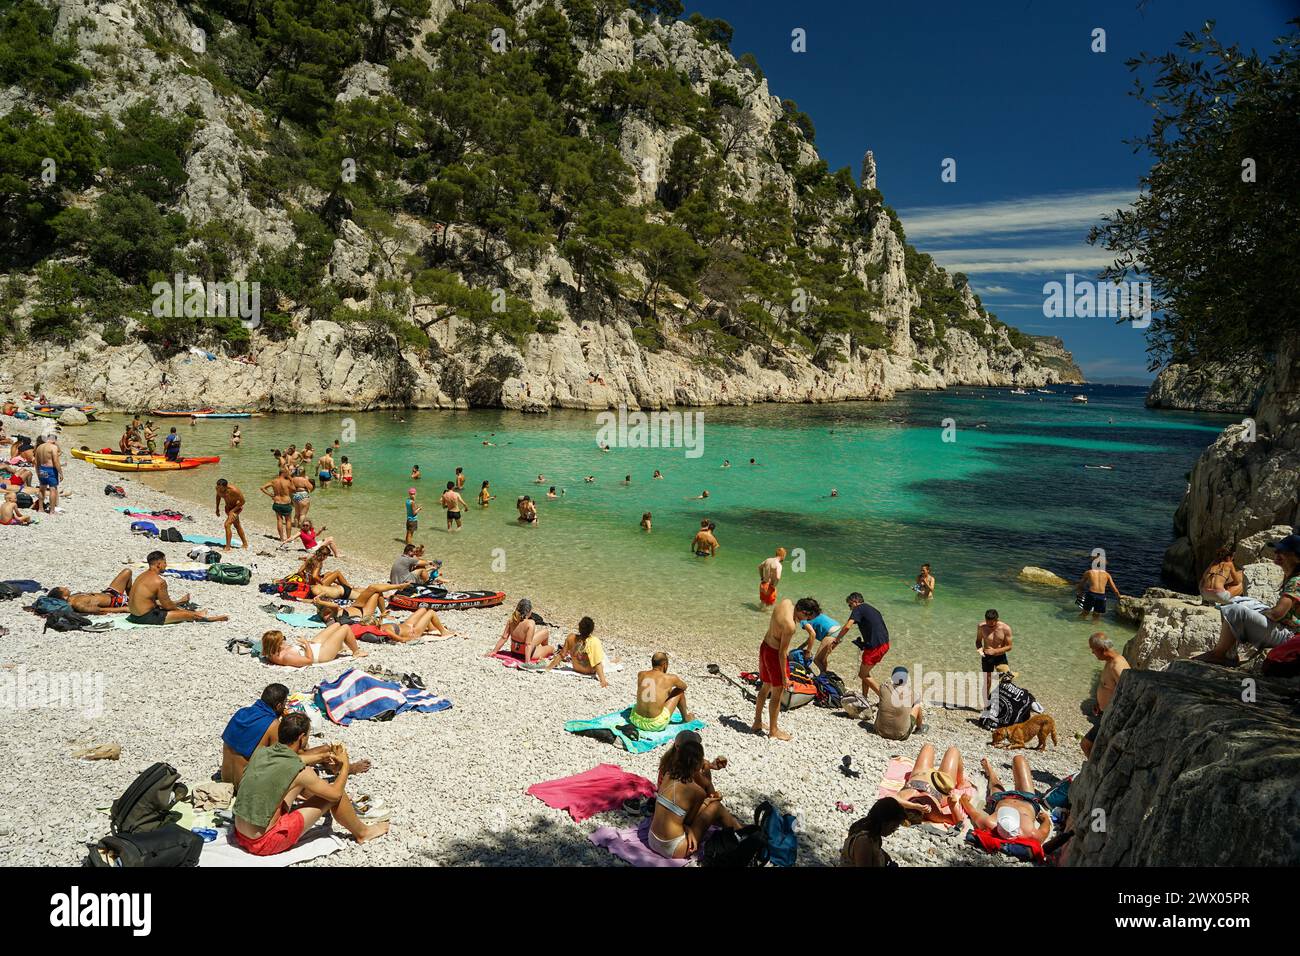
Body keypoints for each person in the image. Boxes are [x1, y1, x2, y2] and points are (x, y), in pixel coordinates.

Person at [232, 713, 387, 856]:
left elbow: (294, 760)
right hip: (264, 843)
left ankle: (324, 800)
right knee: (333, 796)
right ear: (301, 737)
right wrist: (345, 765)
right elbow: (336, 793)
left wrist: (324, 756)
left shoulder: (262, 753)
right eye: (307, 735)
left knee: (297, 783)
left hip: (240, 834)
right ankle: (363, 832)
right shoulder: (301, 772)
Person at [220, 684, 363, 788]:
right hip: (245, 786)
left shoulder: (242, 712)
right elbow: (289, 758)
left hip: (226, 779)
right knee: (309, 762)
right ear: (278, 706)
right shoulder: (272, 725)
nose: (286, 706)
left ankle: (331, 761)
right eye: (284, 703)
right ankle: (344, 768)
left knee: (319, 749)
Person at [647, 733, 741, 860]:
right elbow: (689, 821)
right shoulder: (697, 792)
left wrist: (710, 766)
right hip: (674, 849)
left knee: (711, 808)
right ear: (698, 764)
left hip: (652, 840)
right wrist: (707, 799)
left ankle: (739, 827)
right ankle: (741, 833)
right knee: (716, 807)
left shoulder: (668, 773)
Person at [957, 755, 1052, 853]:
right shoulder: (1031, 834)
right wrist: (1045, 818)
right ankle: (992, 772)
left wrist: (964, 800)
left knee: (994, 784)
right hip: (1027, 799)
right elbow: (1045, 828)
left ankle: (990, 772)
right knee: (1019, 759)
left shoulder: (990, 823)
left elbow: (972, 812)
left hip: (1001, 799)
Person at [126, 551, 228, 624]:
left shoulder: (141, 576)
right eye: (164, 562)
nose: (166, 565)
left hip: (133, 615)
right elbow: (168, 607)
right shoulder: (159, 582)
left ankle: (195, 612)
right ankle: (209, 619)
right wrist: (186, 612)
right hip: (144, 617)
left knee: (171, 608)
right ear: (158, 564)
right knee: (187, 616)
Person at [888, 743, 968, 826]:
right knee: (953, 751)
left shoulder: (902, 799)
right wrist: (953, 806)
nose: (920, 803)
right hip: (942, 783)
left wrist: (915, 806)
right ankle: (961, 783)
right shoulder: (933, 814)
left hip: (920, 774)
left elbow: (889, 797)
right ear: (923, 814)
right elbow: (958, 823)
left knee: (928, 746)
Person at [832, 592, 890, 700]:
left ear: (855, 602)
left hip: (876, 647)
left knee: (862, 675)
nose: (850, 609)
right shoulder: (872, 609)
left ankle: (886, 699)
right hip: (883, 643)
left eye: (850, 605)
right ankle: (864, 697)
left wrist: (837, 639)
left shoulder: (858, 608)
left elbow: (847, 627)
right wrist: (864, 644)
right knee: (865, 673)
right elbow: (875, 628)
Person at [753, 598, 795, 741]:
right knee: (777, 695)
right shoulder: (790, 626)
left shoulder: (786, 603)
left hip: (765, 646)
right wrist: (785, 676)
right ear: (805, 612)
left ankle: (757, 722)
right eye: (808, 618)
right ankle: (773, 730)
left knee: (765, 687)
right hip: (774, 655)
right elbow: (782, 653)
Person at [1082, 633, 1130, 759]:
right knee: (1094, 746)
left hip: (1111, 716)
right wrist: (1099, 703)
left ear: (1102, 650)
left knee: (1086, 744)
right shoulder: (1109, 661)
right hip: (1104, 713)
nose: (1092, 653)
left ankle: (1094, 772)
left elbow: (1128, 692)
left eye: (1093, 649)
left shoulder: (1117, 665)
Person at [842, 798, 917, 867]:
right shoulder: (863, 841)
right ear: (884, 822)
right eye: (894, 825)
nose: (894, 830)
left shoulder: (874, 838)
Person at [633, 652, 693, 733]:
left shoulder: (641, 674)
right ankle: (686, 718)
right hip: (655, 725)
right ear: (665, 664)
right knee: (679, 691)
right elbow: (684, 687)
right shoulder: (670, 678)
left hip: (636, 720)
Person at [545, 616, 610, 687]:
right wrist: (602, 680)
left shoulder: (570, 638)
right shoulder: (594, 641)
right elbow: (597, 663)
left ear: (579, 627)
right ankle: (614, 661)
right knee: (603, 657)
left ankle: (613, 661)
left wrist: (549, 667)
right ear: (592, 630)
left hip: (576, 668)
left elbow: (562, 655)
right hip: (588, 671)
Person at [260, 625, 367, 667]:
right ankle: (356, 651)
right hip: (321, 654)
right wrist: (306, 643)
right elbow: (309, 661)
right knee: (345, 628)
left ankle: (340, 646)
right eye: (282, 639)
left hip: (312, 647)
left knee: (336, 625)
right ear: (277, 643)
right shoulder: (285, 657)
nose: (284, 639)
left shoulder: (270, 652)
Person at [488, 598, 554, 662]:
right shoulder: (530, 623)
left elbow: (504, 638)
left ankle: (542, 649)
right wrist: (527, 662)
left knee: (545, 632)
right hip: (526, 654)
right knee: (551, 648)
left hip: (514, 652)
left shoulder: (511, 621)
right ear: (529, 611)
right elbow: (528, 644)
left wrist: (494, 651)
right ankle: (544, 650)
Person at [47, 569, 135, 614]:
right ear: (64, 597)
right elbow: (100, 610)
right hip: (115, 602)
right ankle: (134, 601)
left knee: (127, 572)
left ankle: (132, 598)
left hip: (109, 593)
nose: (65, 587)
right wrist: (123, 609)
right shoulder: (78, 604)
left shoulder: (73, 597)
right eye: (64, 589)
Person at [875, 666, 925, 740]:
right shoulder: (912, 694)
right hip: (901, 735)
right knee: (917, 706)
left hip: (879, 730)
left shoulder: (883, 688)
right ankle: (919, 728)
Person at [793, 597, 840, 673]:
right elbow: (811, 637)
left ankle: (824, 677)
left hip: (831, 633)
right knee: (823, 659)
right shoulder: (816, 615)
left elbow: (812, 634)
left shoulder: (804, 620)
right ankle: (824, 675)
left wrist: (808, 652)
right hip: (838, 631)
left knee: (817, 660)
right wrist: (802, 646)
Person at [976, 609, 1013, 702]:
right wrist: (980, 650)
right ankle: (986, 705)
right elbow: (978, 641)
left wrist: (995, 651)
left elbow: (1009, 647)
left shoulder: (1005, 628)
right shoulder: (981, 627)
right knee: (987, 681)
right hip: (987, 657)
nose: (990, 626)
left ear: (997, 620)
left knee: (1006, 680)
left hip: (1000, 657)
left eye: (992, 624)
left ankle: (1005, 702)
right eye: (988, 624)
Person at [260, 467, 295, 543]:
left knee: (279, 520)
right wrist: (291, 479)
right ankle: (288, 538)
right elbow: (293, 489)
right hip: (286, 503)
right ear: (284, 473)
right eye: (287, 473)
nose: (288, 474)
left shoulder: (273, 481)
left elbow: (262, 488)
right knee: (288, 521)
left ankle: (281, 538)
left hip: (277, 502)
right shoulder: (287, 482)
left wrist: (271, 495)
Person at [215, 478, 249, 551]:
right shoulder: (217, 489)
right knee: (237, 525)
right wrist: (217, 508)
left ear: (226, 487)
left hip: (236, 508)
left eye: (221, 488)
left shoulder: (234, 490)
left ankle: (227, 547)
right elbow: (218, 497)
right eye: (218, 488)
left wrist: (233, 511)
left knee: (227, 525)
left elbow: (243, 502)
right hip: (228, 508)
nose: (220, 490)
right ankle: (245, 543)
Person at [33, 433, 62, 514]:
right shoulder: (53, 447)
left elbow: (36, 462)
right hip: (51, 470)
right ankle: (52, 511)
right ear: (54, 440)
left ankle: (41, 508)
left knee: (42, 489)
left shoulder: (39, 447)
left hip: (42, 469)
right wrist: (60, 473)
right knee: (53, 489)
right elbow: (56, 461)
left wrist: (38, 472)